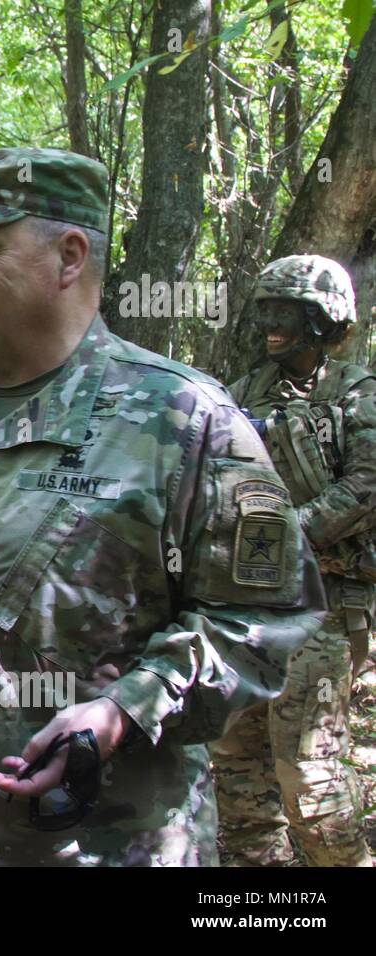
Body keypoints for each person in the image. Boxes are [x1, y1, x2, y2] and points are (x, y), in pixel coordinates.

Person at [0, 147, 325, 865]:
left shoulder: (184, 420)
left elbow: (263, 616)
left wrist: (125, 708)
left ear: (69, 257)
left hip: (95, 843)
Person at [211, 255, 375, 867]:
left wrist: (280, 536)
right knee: (237, 768)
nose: (272, 324)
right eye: (267, 311)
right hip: (247, 610)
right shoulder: (246, 391)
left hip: (325, 607)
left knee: (310, 778)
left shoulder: (356, 395)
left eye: (288, 311)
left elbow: (364, 489)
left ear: (323, 319)